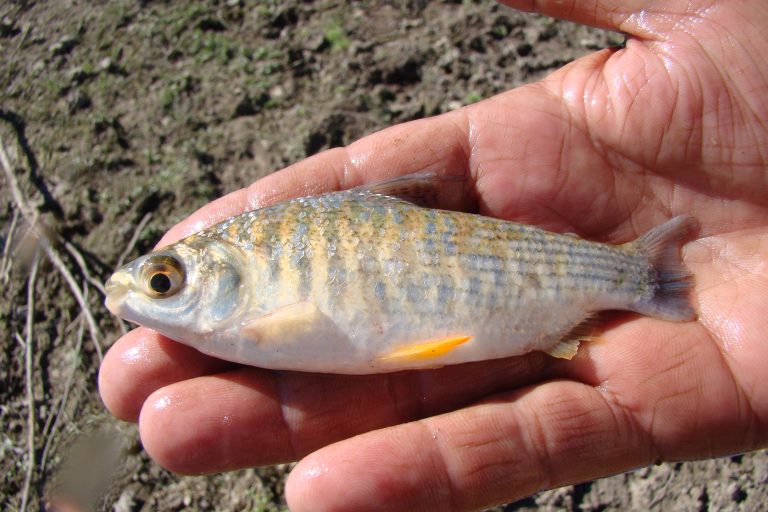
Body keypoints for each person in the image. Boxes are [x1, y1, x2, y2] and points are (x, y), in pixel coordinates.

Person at [98, 0, 768, 510]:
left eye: (163, 279)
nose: (149, 292)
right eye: (164, 280)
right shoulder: (242, 323)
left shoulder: (246, 328)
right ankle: (630, 276)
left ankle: (635, 276)